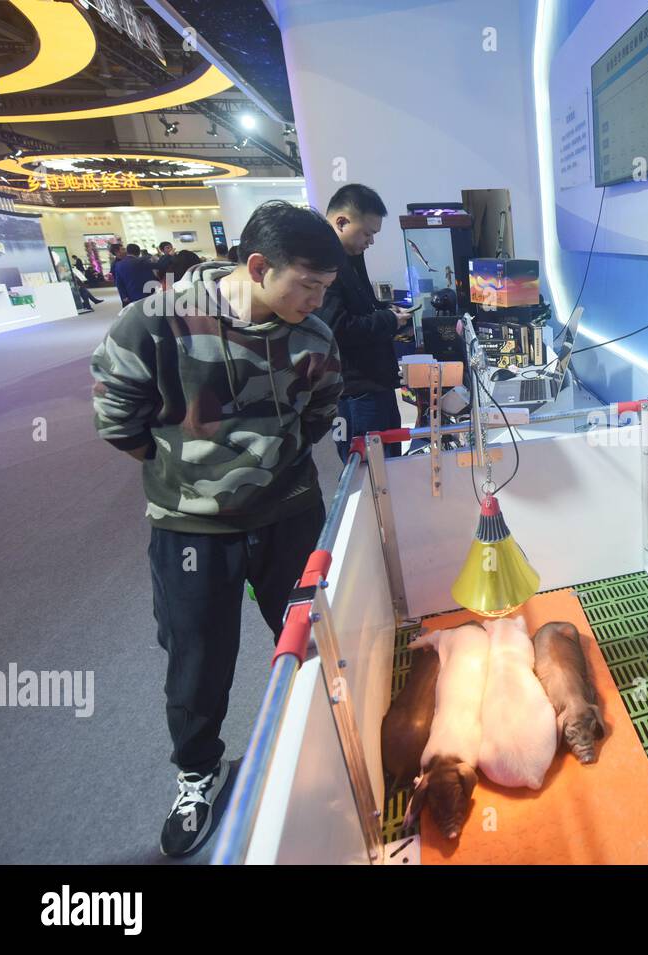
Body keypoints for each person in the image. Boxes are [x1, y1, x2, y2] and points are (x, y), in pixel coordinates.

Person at [89, 200, 345, 857]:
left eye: (325, 288)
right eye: (306, 284)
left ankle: (327, 750)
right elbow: (117, 414)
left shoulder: (313, 336)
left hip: (289, 512)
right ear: (258, 266)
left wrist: (271, 467)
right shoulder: (155, 322)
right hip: (191, 530)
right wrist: (186, 478)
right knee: (198, 659)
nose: (315, 300)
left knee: (313, 638)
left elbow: (321, 409)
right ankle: (199, 775)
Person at [315, 183, 413, 462]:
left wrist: (386, 312)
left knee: (388, 463)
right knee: (366, 470)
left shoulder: (349, 258)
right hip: (355, 393)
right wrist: (387, 320)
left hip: (374, 384)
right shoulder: (325, 265)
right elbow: (337, 328)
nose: (370, 241)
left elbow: (359, 309)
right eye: (367, 233)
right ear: (342, 222)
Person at [112, 242, 158, 307]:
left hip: (135, 293)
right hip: (135, 293)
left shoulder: (119, 264)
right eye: (122, 249)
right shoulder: (116, 264)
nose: (125, 251)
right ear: (117, 252)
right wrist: (124, 296)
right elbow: (118, 282)